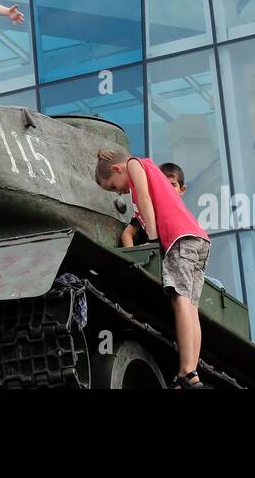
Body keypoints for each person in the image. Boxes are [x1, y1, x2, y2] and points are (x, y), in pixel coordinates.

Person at [96, 149, 211, 389]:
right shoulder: (147, 171)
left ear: (118, 169)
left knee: (180, 302)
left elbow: (146, 199)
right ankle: (191, 373)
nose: (118, 192)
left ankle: (186, 371)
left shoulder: (135, 165)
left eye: (113, 187)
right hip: (198, 239)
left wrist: (151, 238)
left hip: (179, 239)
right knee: (190, 306)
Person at [121, 162, 184, 247]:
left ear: (182, 190)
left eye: (173, 185)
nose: (167, 188)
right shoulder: (150, 209)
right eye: (163, 184)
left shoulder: (182, 214)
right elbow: (127, 234)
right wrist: (132, 258)